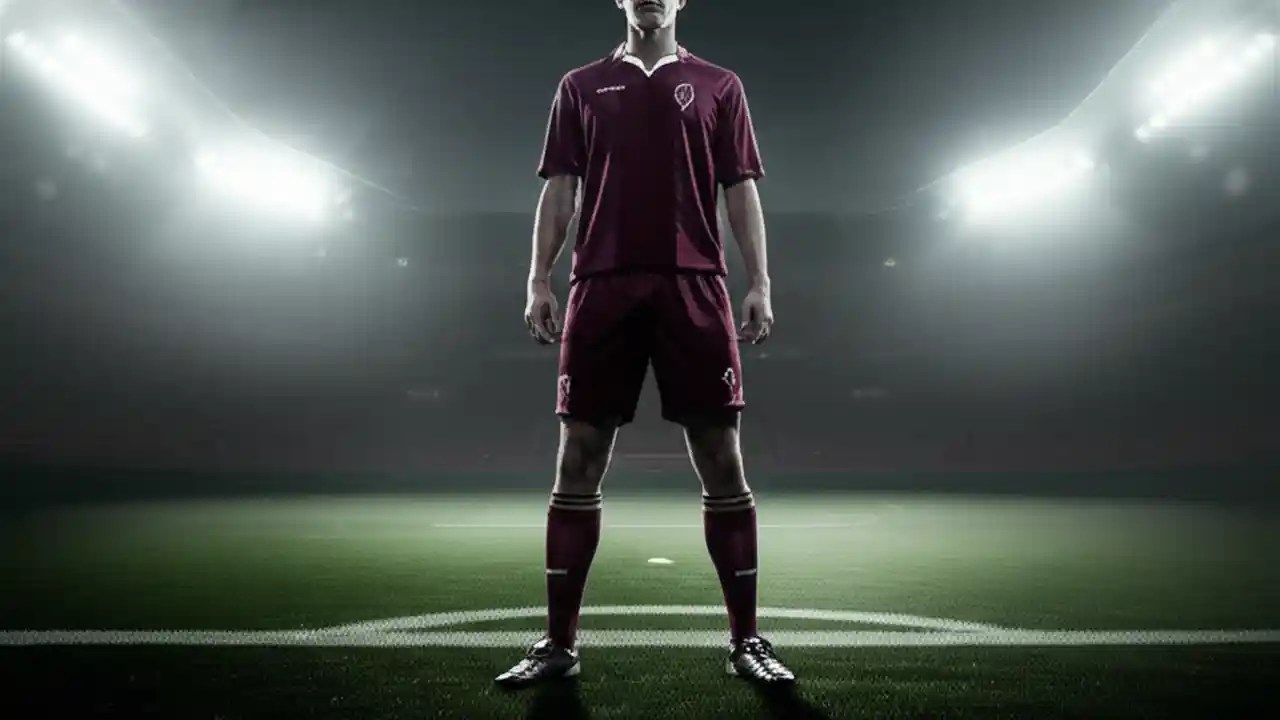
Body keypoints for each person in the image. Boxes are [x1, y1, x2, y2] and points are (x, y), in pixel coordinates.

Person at [497, 0, 792, 687]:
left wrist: (761, 283)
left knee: (722, 456)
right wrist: (539, 277)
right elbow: (561, 190)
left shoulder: (722, 85)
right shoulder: (580, 86)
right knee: (578, 456)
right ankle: (559, 645)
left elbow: (740, 189)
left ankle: (747, 641)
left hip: (696, 284)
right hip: (601, 284)